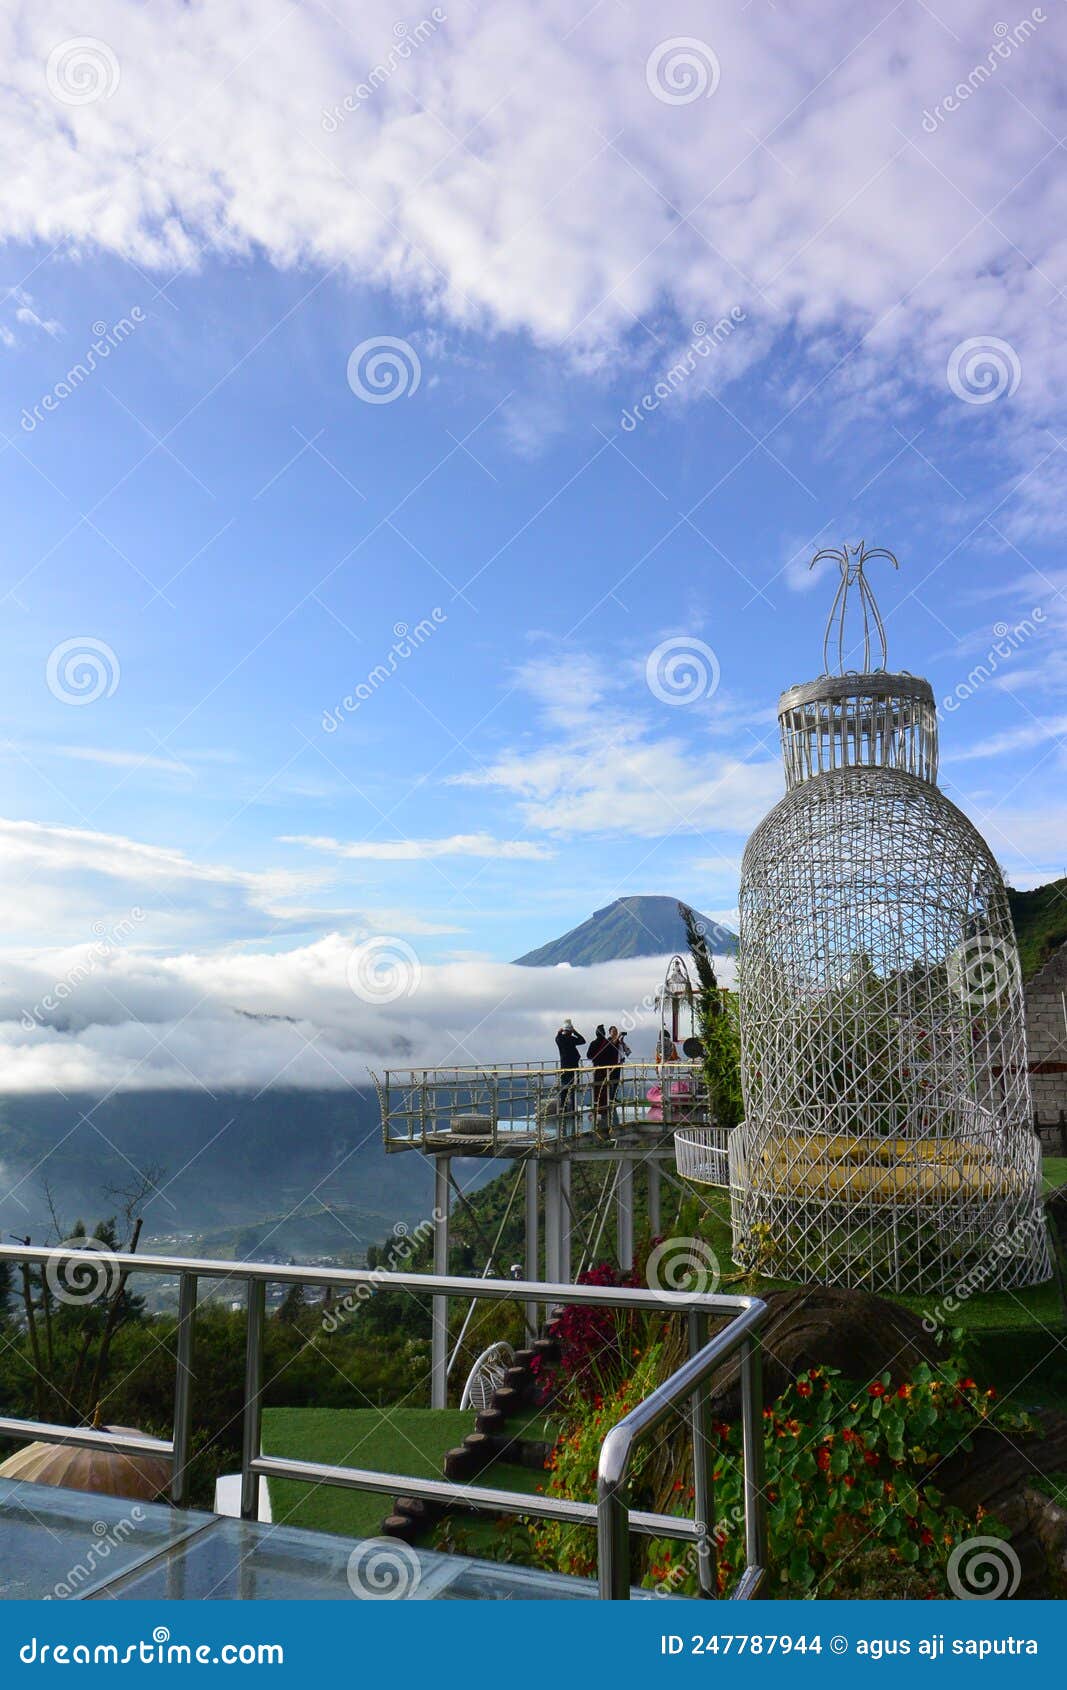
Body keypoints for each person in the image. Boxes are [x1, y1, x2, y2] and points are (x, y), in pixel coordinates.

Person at [555, 1018, 586, 1122]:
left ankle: (562, 1110)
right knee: (572, 1090)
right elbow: (583, 1040)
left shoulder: (560, 1039)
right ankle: (572, 1112)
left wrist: (559, 1032)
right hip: (573, 1067)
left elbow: (557, 1037)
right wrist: (575, 1032)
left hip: (564, 1067)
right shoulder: (572, 1039)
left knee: (564, 1090)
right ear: (570, 1031)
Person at [587, 1023, 613, 1134]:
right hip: (606, 1070)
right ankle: (604, 1110)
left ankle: (596, 1109)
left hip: (596, 1070)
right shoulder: (608, 1043)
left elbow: (589, 1055)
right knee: (605, 1090)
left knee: (596, 1090)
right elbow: (612, 1056)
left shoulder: (593, 1043)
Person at [605, 1024, 631, 1124]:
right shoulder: (609, 1040)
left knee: (616, 1081)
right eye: (613, 1031)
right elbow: (612, 1045)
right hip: (612, 1064)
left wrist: (621, 1039)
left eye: (616, 1031)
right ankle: (610, 1098)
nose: (615, 1033)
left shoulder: (618, 1040)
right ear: (610, 1032)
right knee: (611, 1081)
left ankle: (614, 1096)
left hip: (619, 1063)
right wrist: (618, 1037)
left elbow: (621, 1047)